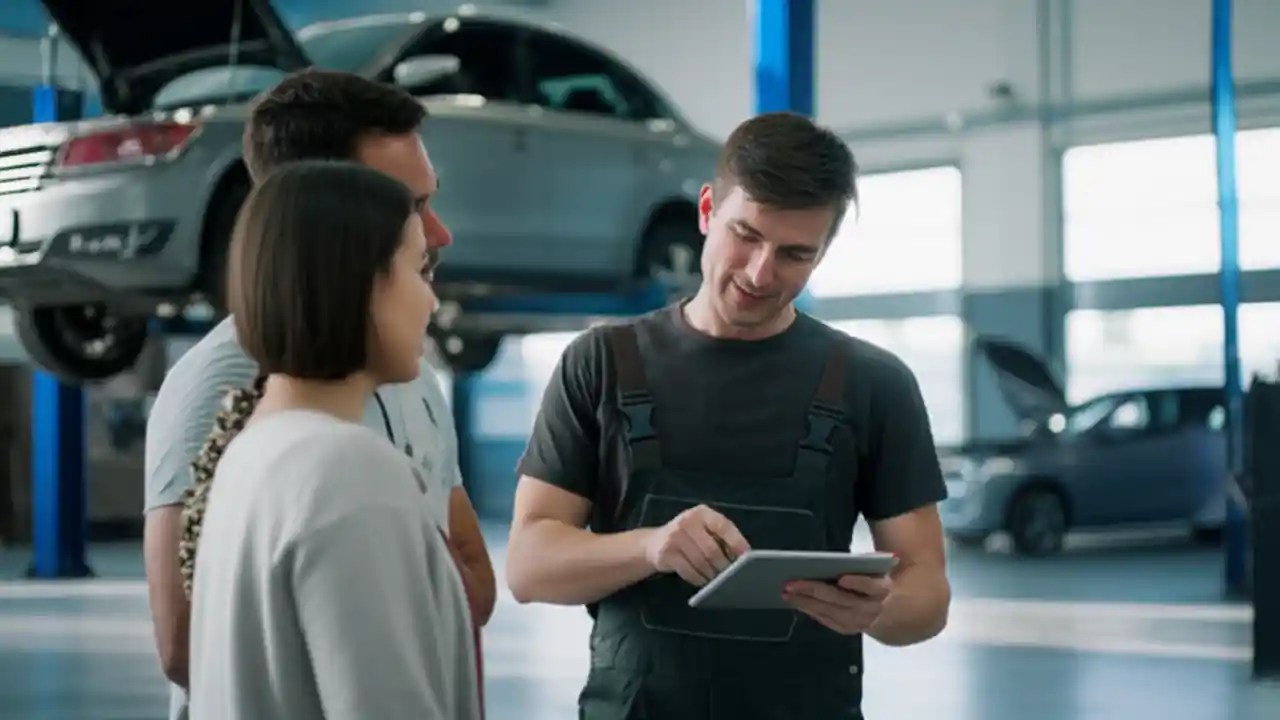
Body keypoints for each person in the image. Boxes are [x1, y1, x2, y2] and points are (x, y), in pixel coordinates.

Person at [504, 111, 951, 718]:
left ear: (823, 253)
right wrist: (651, 548)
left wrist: (881, 610)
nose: (761, 273)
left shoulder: (874, 384)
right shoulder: (601, 365)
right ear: (708, 210)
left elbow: (927, 593)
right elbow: (529, 566)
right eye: (747, 234)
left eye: (795, 254)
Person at [142, 70, 494, 719]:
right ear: (334, 240)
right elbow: (188, 642)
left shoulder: (374, 392)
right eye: (408, 214)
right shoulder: (336, 464)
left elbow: (466, 565)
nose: (438, 240)